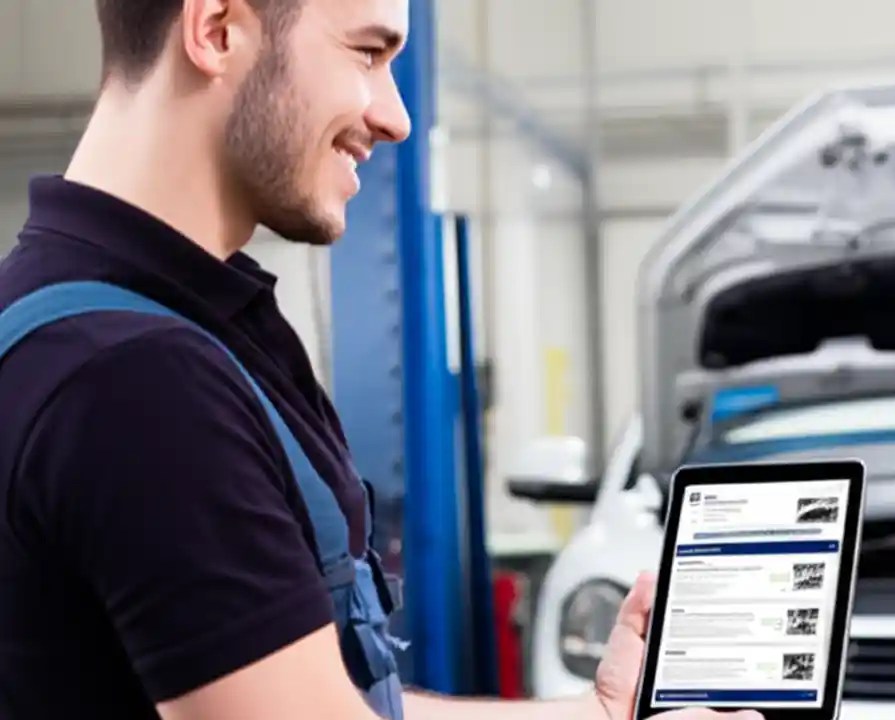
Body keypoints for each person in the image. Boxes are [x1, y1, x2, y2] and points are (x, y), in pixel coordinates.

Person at [0, 1, 761, 719]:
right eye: (367, 53)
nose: (394, 118)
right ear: (218, 30)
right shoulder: (138, 381)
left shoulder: (84, 323)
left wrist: (598, 714)